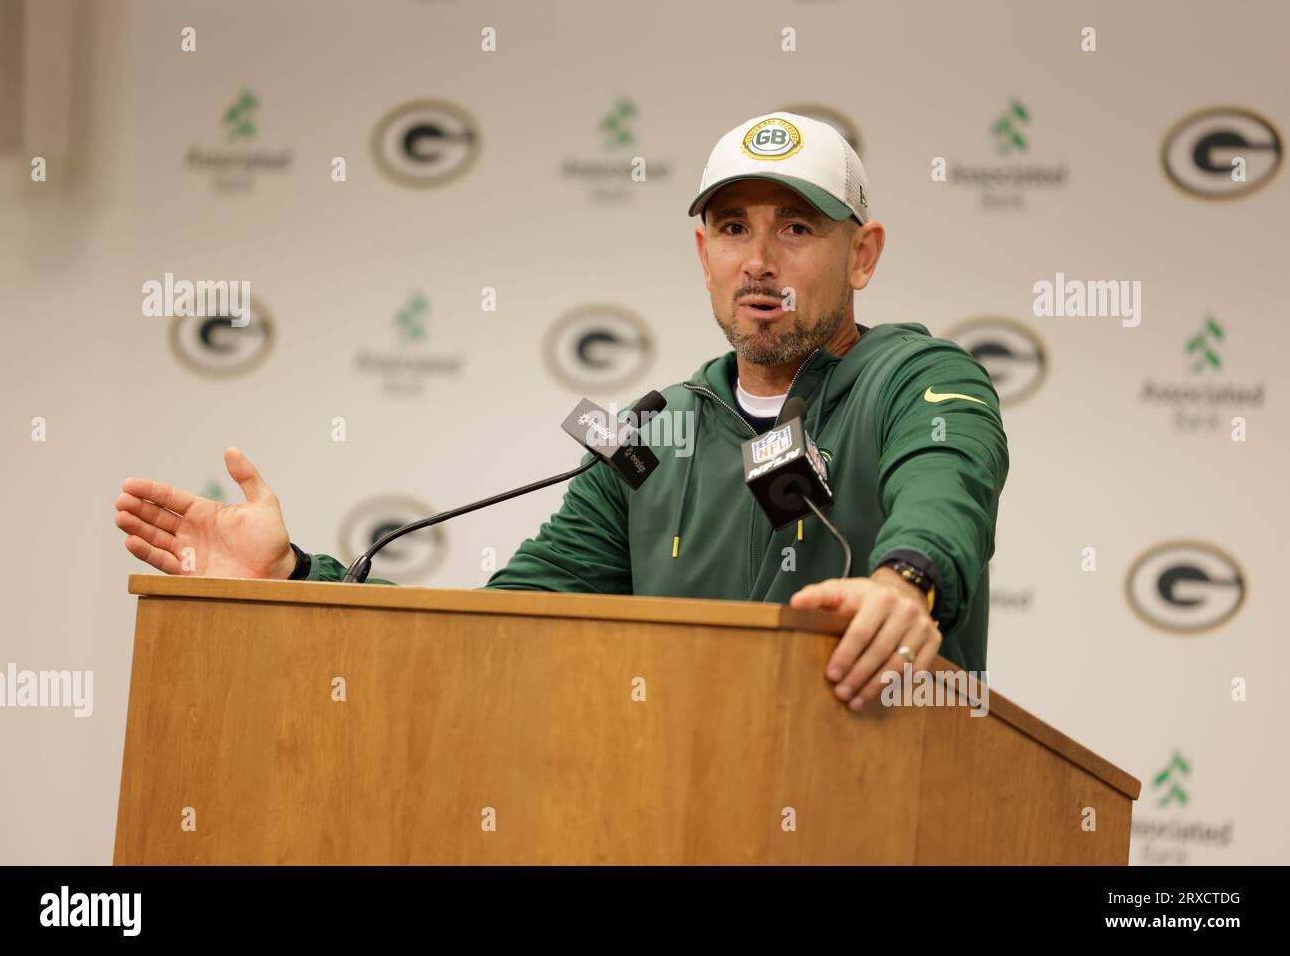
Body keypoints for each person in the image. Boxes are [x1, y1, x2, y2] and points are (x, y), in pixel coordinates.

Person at [114, 111, 1008, 713]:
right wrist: (292, 576)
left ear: (863, 255)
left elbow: (946, 497)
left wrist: (903, 583)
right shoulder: (649, 434)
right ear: (703, 253)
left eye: (798, 227)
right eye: (734, 227)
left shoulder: (922, 380)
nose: (759, 260)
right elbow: (498, 630)